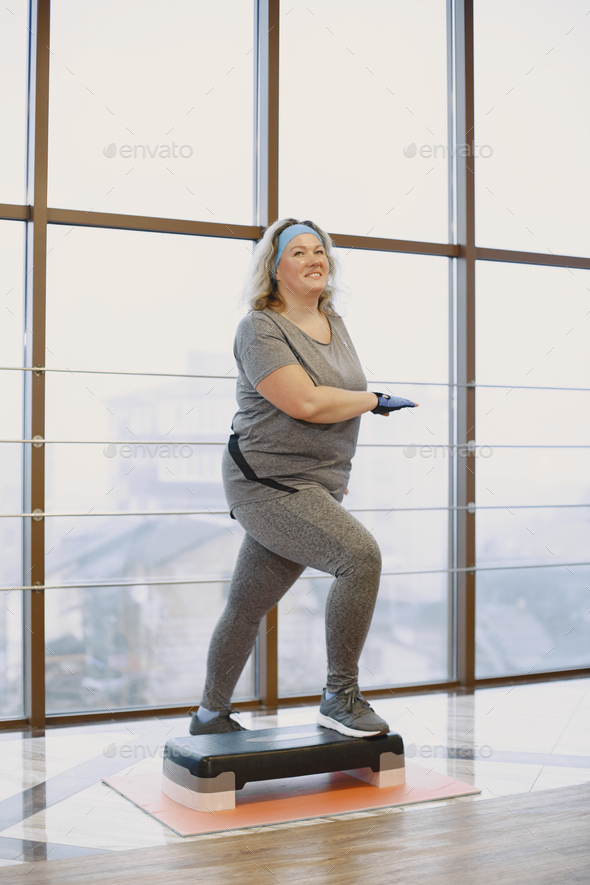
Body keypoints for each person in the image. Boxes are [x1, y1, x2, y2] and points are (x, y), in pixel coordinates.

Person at [190, 218, 418, 739]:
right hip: (267, 481)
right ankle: (341, 695)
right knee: (359, 557)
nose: (315, 259)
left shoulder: (335, 322)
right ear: (273, 267)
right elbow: (307, 402)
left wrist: (362, 401)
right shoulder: (259, 327)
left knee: (247, 606)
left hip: (319, 483)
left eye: (321, 251)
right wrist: (373, 401)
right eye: (299, 252)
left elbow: (330, 397)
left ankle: (209, 714)